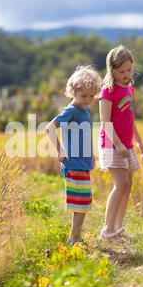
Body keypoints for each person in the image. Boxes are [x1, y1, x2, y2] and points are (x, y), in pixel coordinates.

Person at [45, 65, 102, 246]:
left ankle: (76, 236)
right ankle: (73, 238)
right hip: (74, 163)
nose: (87, 100)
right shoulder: (72, 110)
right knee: (80, 203)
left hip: (82, 163)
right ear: (73, 92)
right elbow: (50, 128)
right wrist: (60, 150)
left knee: (83, 202)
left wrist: (92, 156)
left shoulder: (84, 110)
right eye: (83, 96)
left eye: (91, 96)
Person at [98, 45, 143, 243]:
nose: (126, 74)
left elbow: (130, 118)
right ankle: (107, 230)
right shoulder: (107, 91)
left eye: (129, 70)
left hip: (126, 145)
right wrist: (117, 143)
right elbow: (105, 122)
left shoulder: (129, 89)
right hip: (112, 145)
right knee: (121, 184)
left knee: (128, 186)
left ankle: (118, 228)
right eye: (121, 71)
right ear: (112, 70)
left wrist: (139, 141)